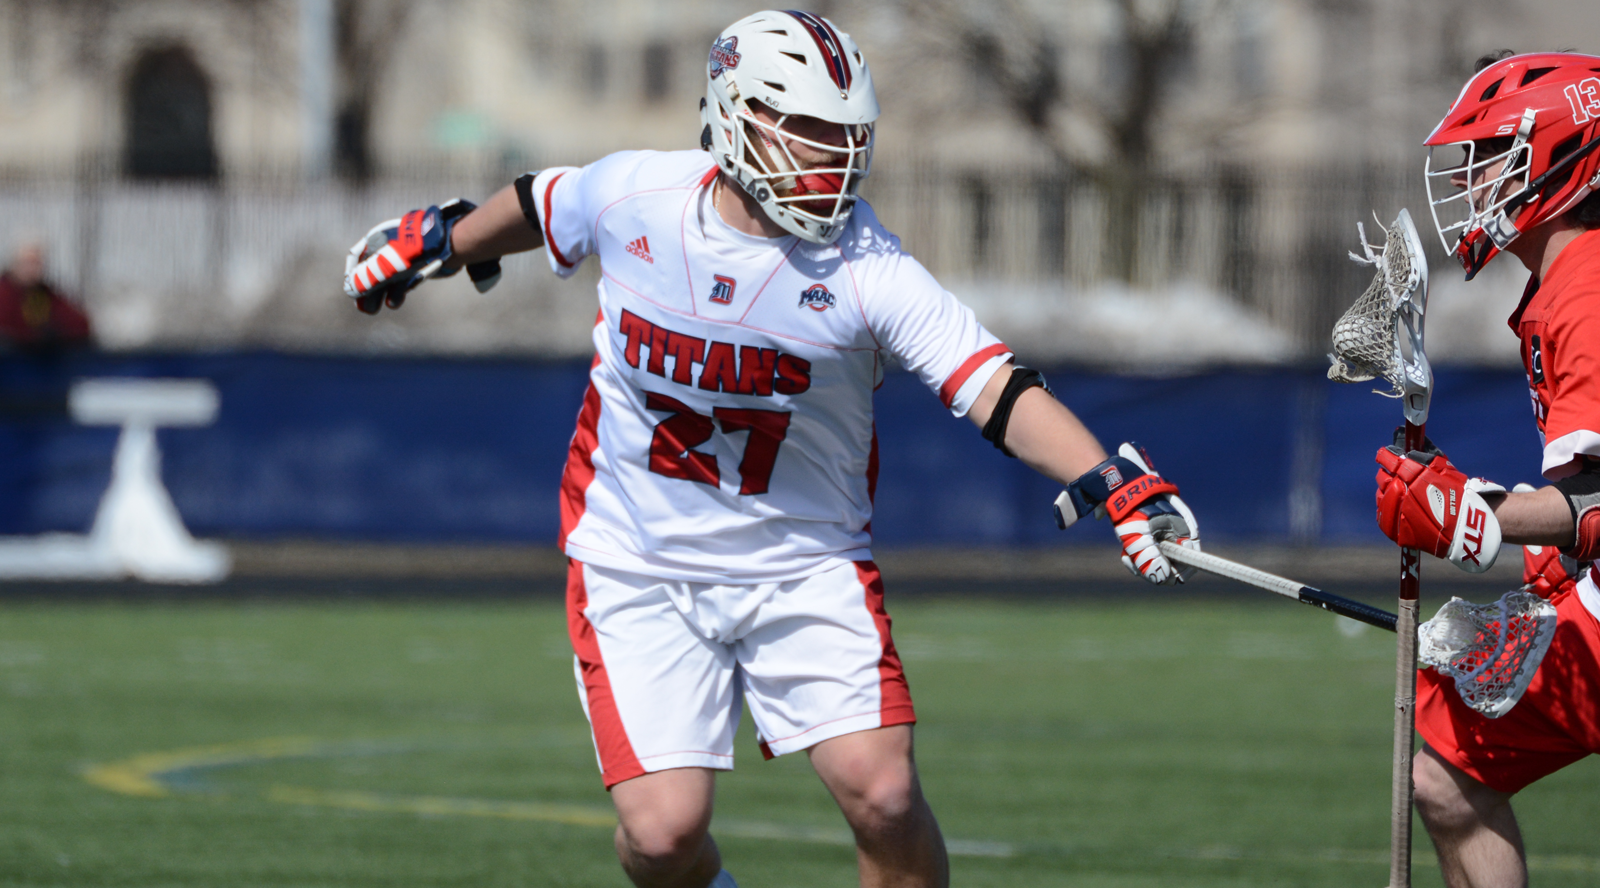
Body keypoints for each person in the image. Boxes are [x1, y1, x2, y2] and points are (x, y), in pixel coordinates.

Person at [343, 11, 1201, 888]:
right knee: (663, 837)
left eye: (847, 138)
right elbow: (538, 202)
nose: (833, 159)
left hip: (804, 561)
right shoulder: (635, 197)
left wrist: (1114, 481)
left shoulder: (871, 268)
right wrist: (446, 241)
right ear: (730, 115)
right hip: (637, 559)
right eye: (808, 134)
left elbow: (997, 389)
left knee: (886, 795)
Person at [1372, 50, 1600, 888]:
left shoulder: (1588, 288)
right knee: (1449, 767)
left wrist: (1479, 511)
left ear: (1559, 153)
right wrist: (1549, 564)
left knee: (1449, 767)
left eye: (1489, 157)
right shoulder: (1568, 278)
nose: (1470, 184)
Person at [0, 242, 92, 349]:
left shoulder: (43, 294)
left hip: (40, 360)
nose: (31, 269)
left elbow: (80, 323)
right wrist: (27, 336)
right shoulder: (4, 293)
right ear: (14, 264)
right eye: (27, 263)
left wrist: (59, 332)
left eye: (37, 263)